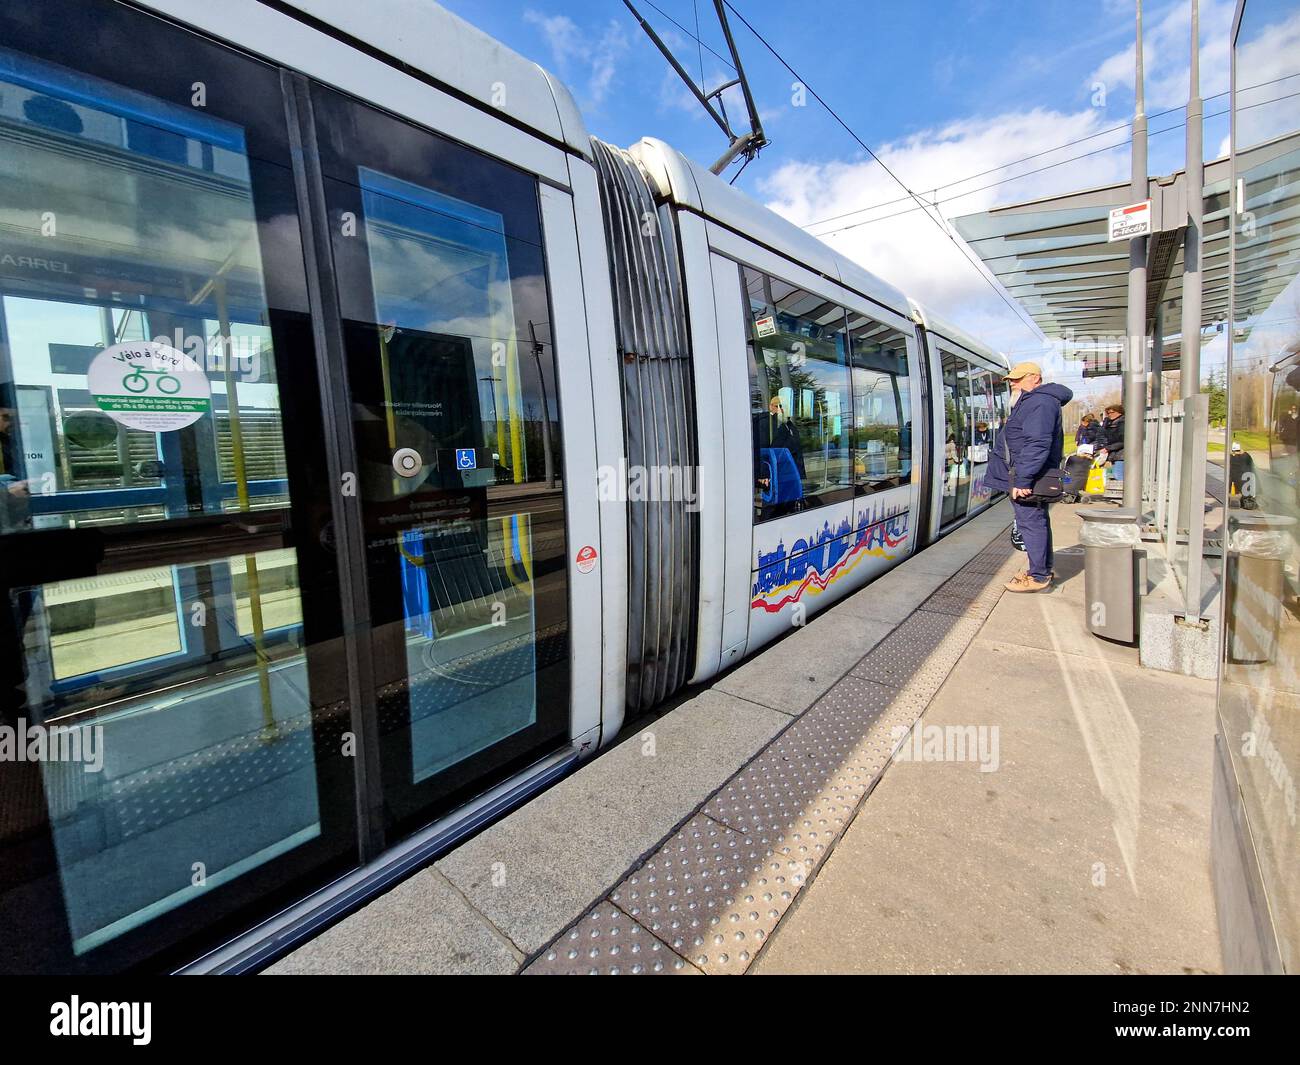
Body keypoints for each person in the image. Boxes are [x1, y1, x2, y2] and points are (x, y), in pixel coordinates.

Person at [986, 362, 1073, 592]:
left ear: (1035, 378)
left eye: (1017, 378)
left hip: (1028, 477)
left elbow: (1037, 443)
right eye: (1011, 380)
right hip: (1025, 473)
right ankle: (1040, 570)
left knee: (1031, 523)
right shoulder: (1034, 400)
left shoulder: (1041, 402)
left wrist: (1023, 480)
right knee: (1035, 522)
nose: (1012, 383)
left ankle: (1039, 576)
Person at [1097, 404, 1125, 483]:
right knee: (1117, 475)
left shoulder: (1122, 423)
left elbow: (1123, 440)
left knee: (1118, 475)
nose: (1110, 415)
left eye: (1112, 412)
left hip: (1121, 453)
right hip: (1115, 453)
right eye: (1108, 413)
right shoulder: (1110, 423)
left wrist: (1108, 448)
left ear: (1119, 412)